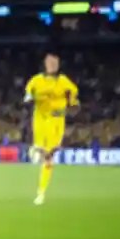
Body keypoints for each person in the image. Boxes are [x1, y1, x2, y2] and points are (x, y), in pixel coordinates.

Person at [24, 52, 79, 205]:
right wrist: (29, 97)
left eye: (55, 62)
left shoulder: (63, 81)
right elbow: (28, 91)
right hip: (41, 119)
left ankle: (41, 189)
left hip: (57, 120)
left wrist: (72, 102)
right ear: (45, 64)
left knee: (51, 154)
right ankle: (40, 192)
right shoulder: (37, 80)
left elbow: (74, 93)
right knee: (47, 155)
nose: (52, 65)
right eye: (49, 62)